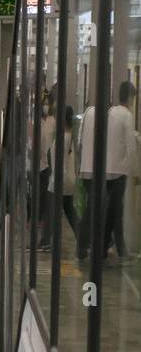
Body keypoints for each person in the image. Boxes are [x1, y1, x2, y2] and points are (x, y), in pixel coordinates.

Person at [76, 81, 137, 264]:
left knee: (101, 209)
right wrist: (133, 172)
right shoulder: (124, 115)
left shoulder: (90, 113)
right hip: (114, 170)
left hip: (92, 169)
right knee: (110, 210)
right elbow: (130, 147)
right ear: (131, 98)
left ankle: (101, 247)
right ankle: (104, 248)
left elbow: (80, 143)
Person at [39, 105, 78, 251]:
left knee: (50, 213)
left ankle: (46, 241)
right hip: (68, 180)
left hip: (58, 181)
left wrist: (55, 182)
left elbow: (59, 164)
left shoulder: (62, 138)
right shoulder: (69, 135)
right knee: (70, 211)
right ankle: (84, 239)